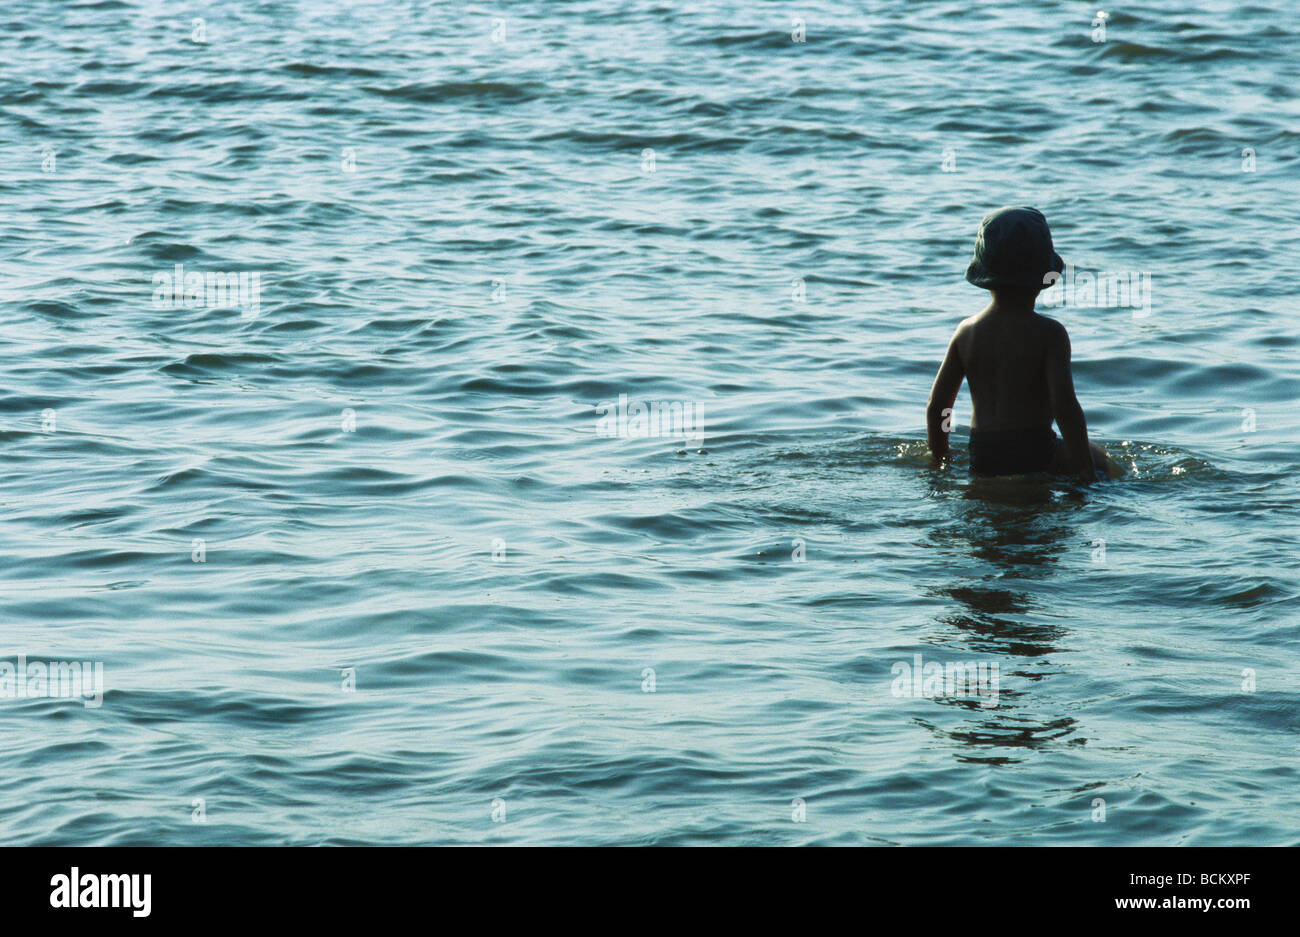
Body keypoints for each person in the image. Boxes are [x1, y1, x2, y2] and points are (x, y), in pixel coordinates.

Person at [926, 206, 1119, 481]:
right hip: (1034, 450)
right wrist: (1084, 466)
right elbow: (1064, 405)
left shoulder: (966, 332)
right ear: (1045, 277)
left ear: (984, 273)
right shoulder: (1050, 333)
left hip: (983, 453)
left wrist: (940, 456)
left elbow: (938, 404)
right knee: (1106, 463)